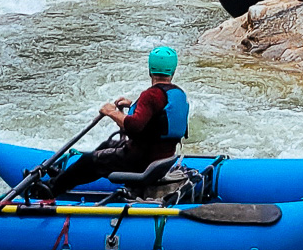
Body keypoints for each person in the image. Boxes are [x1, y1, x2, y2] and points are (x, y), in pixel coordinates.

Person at [36, 46, 190, 197]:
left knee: (91, 160)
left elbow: (134, 126)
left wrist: (111, 112)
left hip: (140, 161)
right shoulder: (177, 93)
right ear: (173, 71)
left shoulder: (150, 96)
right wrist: (133, 105)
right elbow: (161, 117)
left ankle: (50, 190)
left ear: (150, 70)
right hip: (161, 159)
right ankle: (63, 177)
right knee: (106, 146)